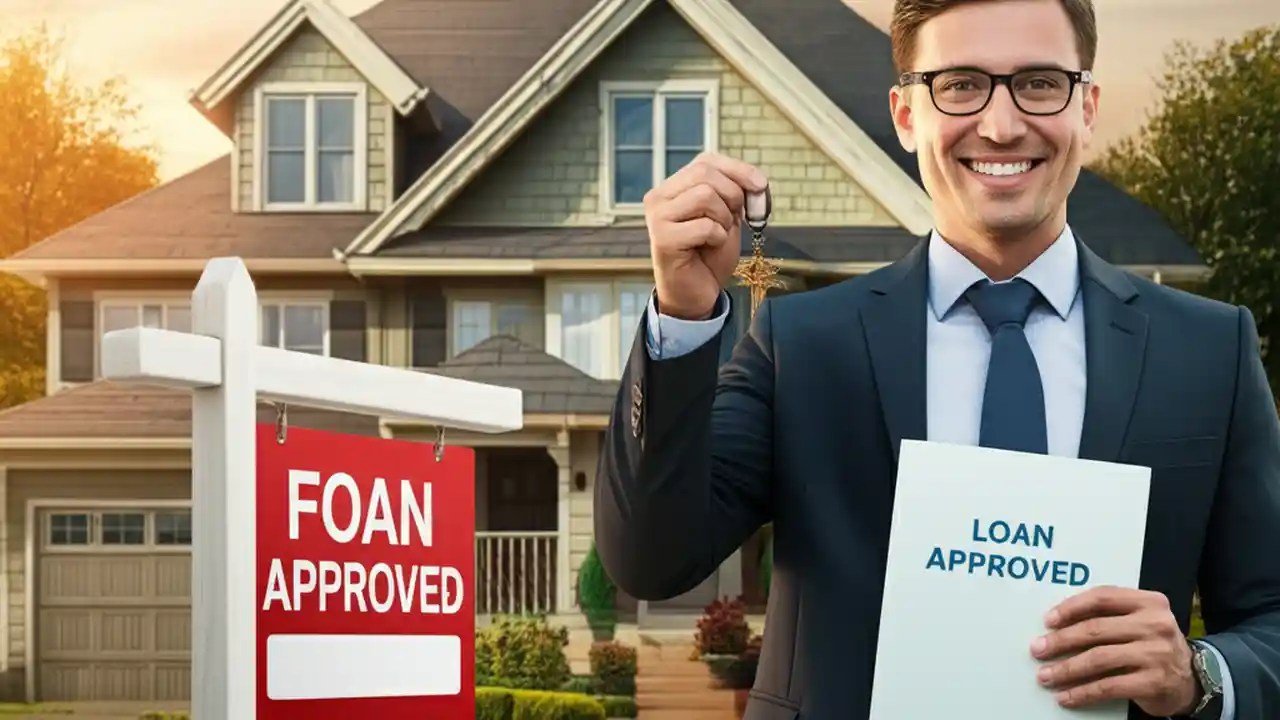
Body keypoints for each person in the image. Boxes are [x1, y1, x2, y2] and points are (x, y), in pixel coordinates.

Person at [592, 0, 1280, 718]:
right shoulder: (802, 347)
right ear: (905, 115)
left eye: (1039, 83)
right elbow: (649, 558)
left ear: (1087, 108)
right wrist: (682, 313)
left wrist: (1198, 673)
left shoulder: (1208, 352)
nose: (1002, 124)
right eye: (960, 85)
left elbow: (1270, 618)